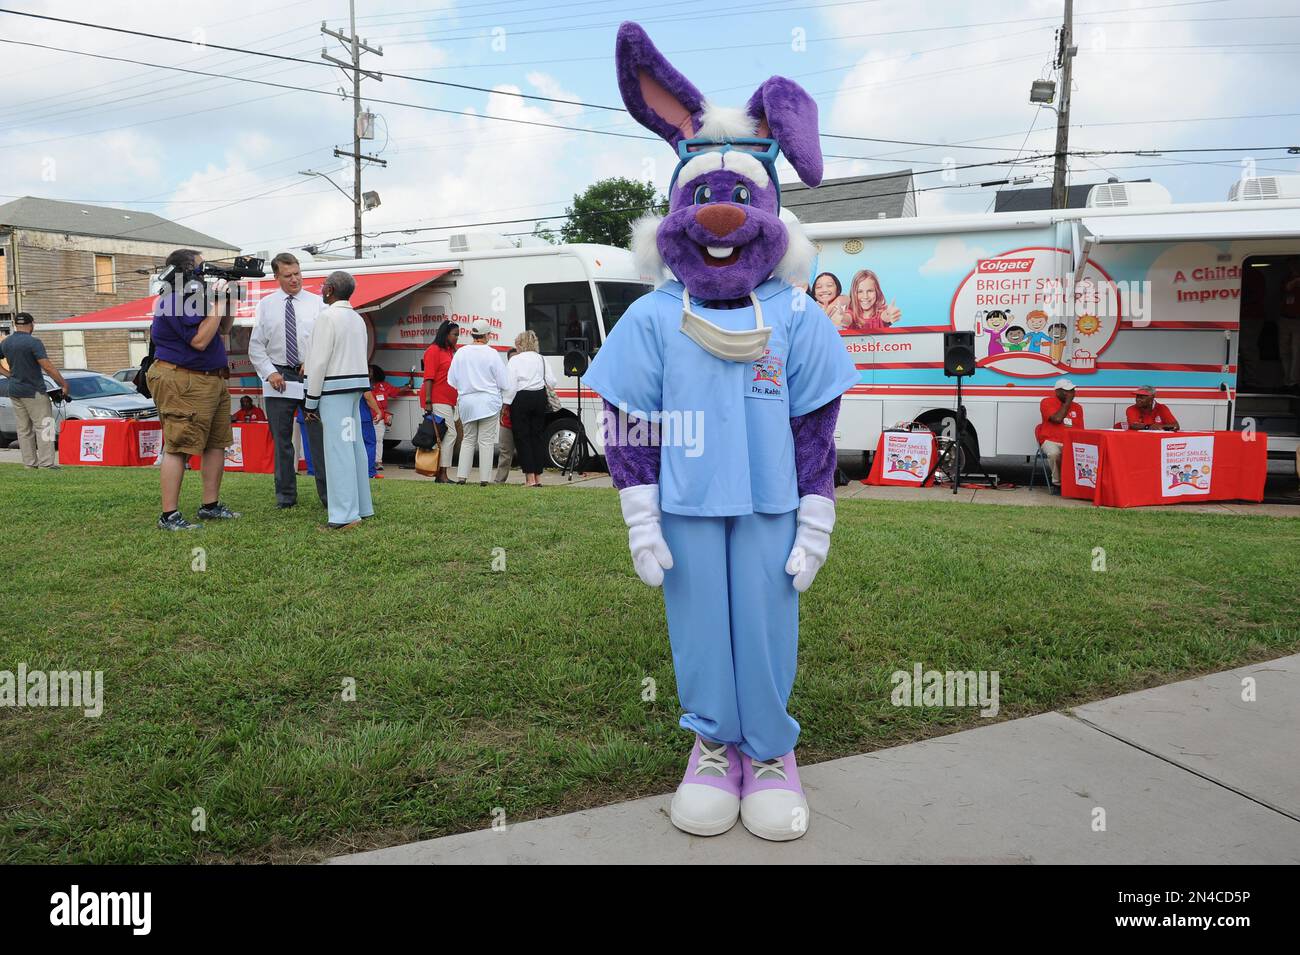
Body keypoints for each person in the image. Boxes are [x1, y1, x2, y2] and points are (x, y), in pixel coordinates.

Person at [146, 249, 240, 530]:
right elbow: (199, 341)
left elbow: (222, 329)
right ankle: (169, 515)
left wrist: (227, 300)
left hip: (209, 378)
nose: (206, 273)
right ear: (186, 270)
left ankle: (210, 506)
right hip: (183, 379)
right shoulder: (174, 299)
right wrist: (217, 303)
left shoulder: (194, 297)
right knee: (178, 447)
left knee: (216, 443)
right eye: (202, 267)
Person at [248, 251, 327, 510]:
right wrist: (270, 373)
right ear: (276, 277)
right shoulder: (266, 305)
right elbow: (256, 346)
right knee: (282, 440)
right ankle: (285, 497)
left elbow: (327, 338)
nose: (295, 279)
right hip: (278, 378)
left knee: (318, 436)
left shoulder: (317, 303)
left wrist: (313, 360)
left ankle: (328, 495)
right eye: (288, 275)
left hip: (310, 374)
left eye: (297, 274)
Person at [303, 271, 373, 529]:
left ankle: (344, 515)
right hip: (355, 388)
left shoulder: (327, 317)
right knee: (354, 447)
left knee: (337, 451)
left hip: (334, 390)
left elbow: (319, 362)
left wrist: (310, 400)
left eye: (323, 286)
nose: (321, 290)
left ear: (330, 289)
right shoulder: (357, 318)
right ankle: (362, 507)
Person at [0, 311, 69, 469]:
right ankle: (47, 463)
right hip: (34, 391)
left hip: (15, 391)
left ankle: (29, 464)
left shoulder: (6, 343)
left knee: (24, 429)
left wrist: (8, 374)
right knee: (45, 425)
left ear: (15, 325)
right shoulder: (33, 342)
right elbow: (47, 366)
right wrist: (63, 384)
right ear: (31, 325)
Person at [447, 317, 510, 486]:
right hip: (488, 402)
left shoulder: (461, 352)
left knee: (468, 439)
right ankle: (484, 479)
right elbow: (503, 382)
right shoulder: (492, 353)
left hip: (467, 401)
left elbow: (451, 380)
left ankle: (462, 477)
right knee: (486, 441)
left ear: (472, 334)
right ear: (487, 335)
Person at [506, 331, 556, 487]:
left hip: (521, 398)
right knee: (537, 437)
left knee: (523, 438)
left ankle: (529, 478)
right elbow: (552, 381)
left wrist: (505, 403)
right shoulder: (541, 359)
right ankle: (538, 476)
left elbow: (511, 385)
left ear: (520, 344)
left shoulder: (515, 360)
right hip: (539, 398)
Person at [421, 319, 460, 483]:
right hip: (437, 399)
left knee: (444, 436)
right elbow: (428, 377)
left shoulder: (450, 352)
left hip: (449, 400)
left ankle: (440, 472)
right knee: (451, 433)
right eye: (455, 334)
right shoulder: (433, 350)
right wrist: (428, 401)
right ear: (446, 334)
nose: (457, 338)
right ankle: (442, 473)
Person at [1035, 377, 1085, 491]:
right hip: (1051, 440)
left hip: (1070, 442)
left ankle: (1077, 484)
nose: (1072, 393)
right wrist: (1068, 402)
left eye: (1072, 390)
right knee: (1054, 453)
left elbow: (1080, 430)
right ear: (1057, 391)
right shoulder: (1046, 402)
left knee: (1084, 455)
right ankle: (1058, 483)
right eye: (1067, 390)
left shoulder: (1078, 407)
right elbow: (1057, 419)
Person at [844, 268, 901, 332]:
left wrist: (889, 314)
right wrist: (842, 318)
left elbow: (885, 316)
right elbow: (847, 319)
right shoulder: (851, 314)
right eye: (860, 292)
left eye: (870, 291)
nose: (865, 296)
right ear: (853, 294)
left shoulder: (881, 314)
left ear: (877, 292)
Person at [494, 348, 519, 483]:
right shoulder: (503, 375)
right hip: (507, 419)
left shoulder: (524, 377)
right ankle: (499, 480)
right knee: (505, 451)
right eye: (512, 359)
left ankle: (531, 479)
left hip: (521, 419)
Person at [369, 364, 398, 471]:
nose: (368, 373)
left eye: (370, 371)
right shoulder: (364, 385)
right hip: (366, 418)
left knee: (378, 440)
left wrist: (408, 386)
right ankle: (368, 462)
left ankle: (378, 462)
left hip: (379, 419)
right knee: (367, 440)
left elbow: (396, 391)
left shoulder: (384, 385)